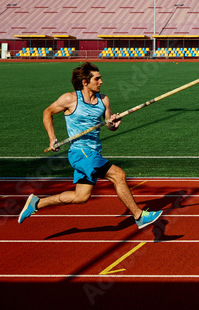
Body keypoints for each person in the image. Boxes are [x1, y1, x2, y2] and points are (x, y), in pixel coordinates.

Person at [18, 62, 162, 229]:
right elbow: (47, 112)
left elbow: (110, 126)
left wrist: (114, 123)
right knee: (118, 175)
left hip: (93, 152)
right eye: (97, 79)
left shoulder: (103, 100)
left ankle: (37, 203)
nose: (101, 82)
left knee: (81, 197)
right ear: (85, 82)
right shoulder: (70, 99)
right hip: (80, 153)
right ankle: (139, 216)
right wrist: (52, 138)